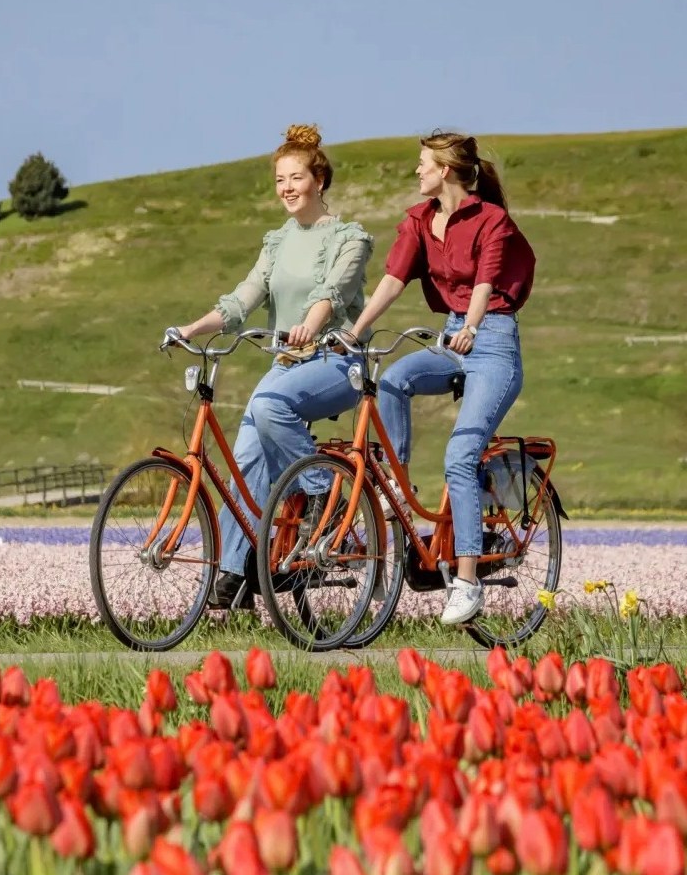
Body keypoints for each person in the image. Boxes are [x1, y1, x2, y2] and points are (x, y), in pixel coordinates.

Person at [175, 124, 374, 608]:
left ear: (319, 181)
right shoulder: (277, 242)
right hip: (288, 361)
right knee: (245, 460)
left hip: (338, 361)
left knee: (268, 406)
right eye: (280, 179)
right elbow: (246, 295)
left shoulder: (351, 239)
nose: (287, 188)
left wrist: (309, 324)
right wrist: (192, 328)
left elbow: (333, 293)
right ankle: (235, 574)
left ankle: (324, 503)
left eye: (296, 178)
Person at [348, 130, 535, 626]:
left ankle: (468, 582)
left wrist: (472, 328)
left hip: (491, 342)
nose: (417, 172)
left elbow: (486, 282)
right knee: (392, 381)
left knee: (460, 454)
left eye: (423, 164)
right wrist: (357, 331)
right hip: (451, 338)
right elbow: (392, 280)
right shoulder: (419, 220)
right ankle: (397, 488)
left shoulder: (492, 220)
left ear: (446, 170)